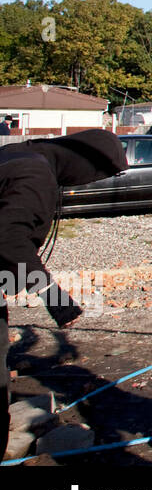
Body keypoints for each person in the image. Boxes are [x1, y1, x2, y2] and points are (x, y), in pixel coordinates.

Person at [1, 130, 126, 454]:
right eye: (97, 176)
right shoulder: (35, 173)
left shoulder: (20, 154)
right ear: (84, 164)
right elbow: (9, 238)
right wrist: (57, 301)